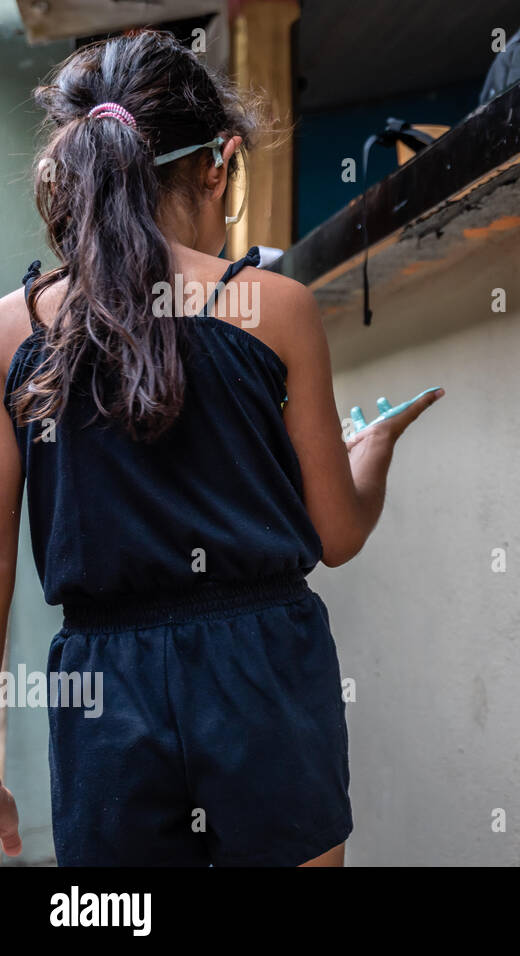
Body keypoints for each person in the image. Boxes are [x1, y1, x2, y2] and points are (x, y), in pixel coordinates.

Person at [0, 30, 441, 866]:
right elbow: (336, 535)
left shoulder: (16, 327)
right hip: (263, 667)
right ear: (220, 163)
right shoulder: (274, 308)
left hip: (99, 686)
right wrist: (372, 451)